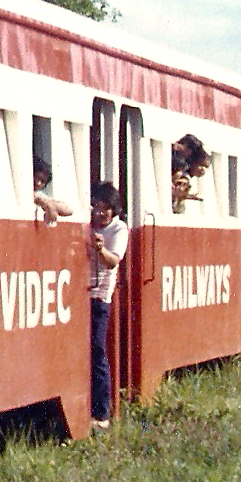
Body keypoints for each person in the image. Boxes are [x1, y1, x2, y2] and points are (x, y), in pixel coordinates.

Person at [87, 182, 128, 429]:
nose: (100, 213)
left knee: (97, 351)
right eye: (97, 207)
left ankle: (102, 414)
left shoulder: (119, 229)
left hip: (100, 297)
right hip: (80, 294)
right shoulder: (88, 223)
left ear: (114, 210)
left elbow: (114, 262)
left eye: (105, 209)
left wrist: (101, 250)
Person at [32, 158, 73, 225]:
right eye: (36, 177)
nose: (38, 183)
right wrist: (41, 201)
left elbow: (69, 210)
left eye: (42, 181)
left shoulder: (41, 194)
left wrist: (50, 205)